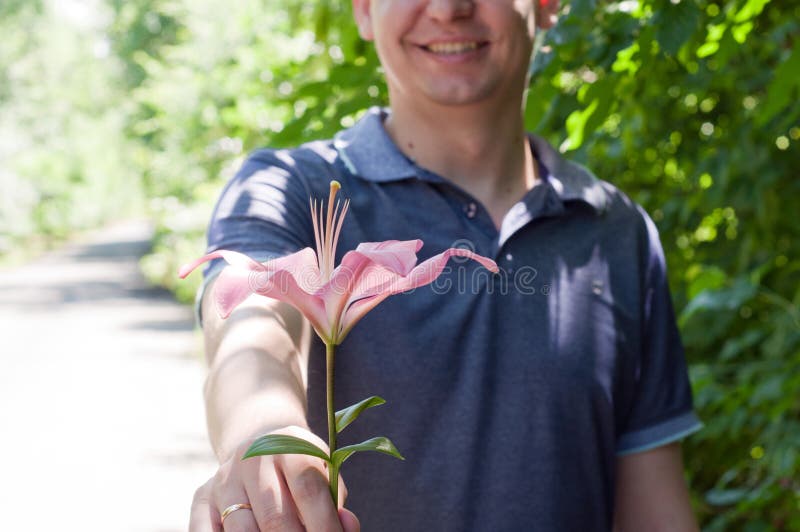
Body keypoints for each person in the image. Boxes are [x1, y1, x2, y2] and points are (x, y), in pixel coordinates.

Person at [189, 0, 703, 530]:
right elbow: (251, 323)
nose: (450, 9)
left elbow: (655, 504)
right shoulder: (285, 188)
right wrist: (263, 428)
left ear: (548, 5)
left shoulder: (617, 232)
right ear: (364, 10)